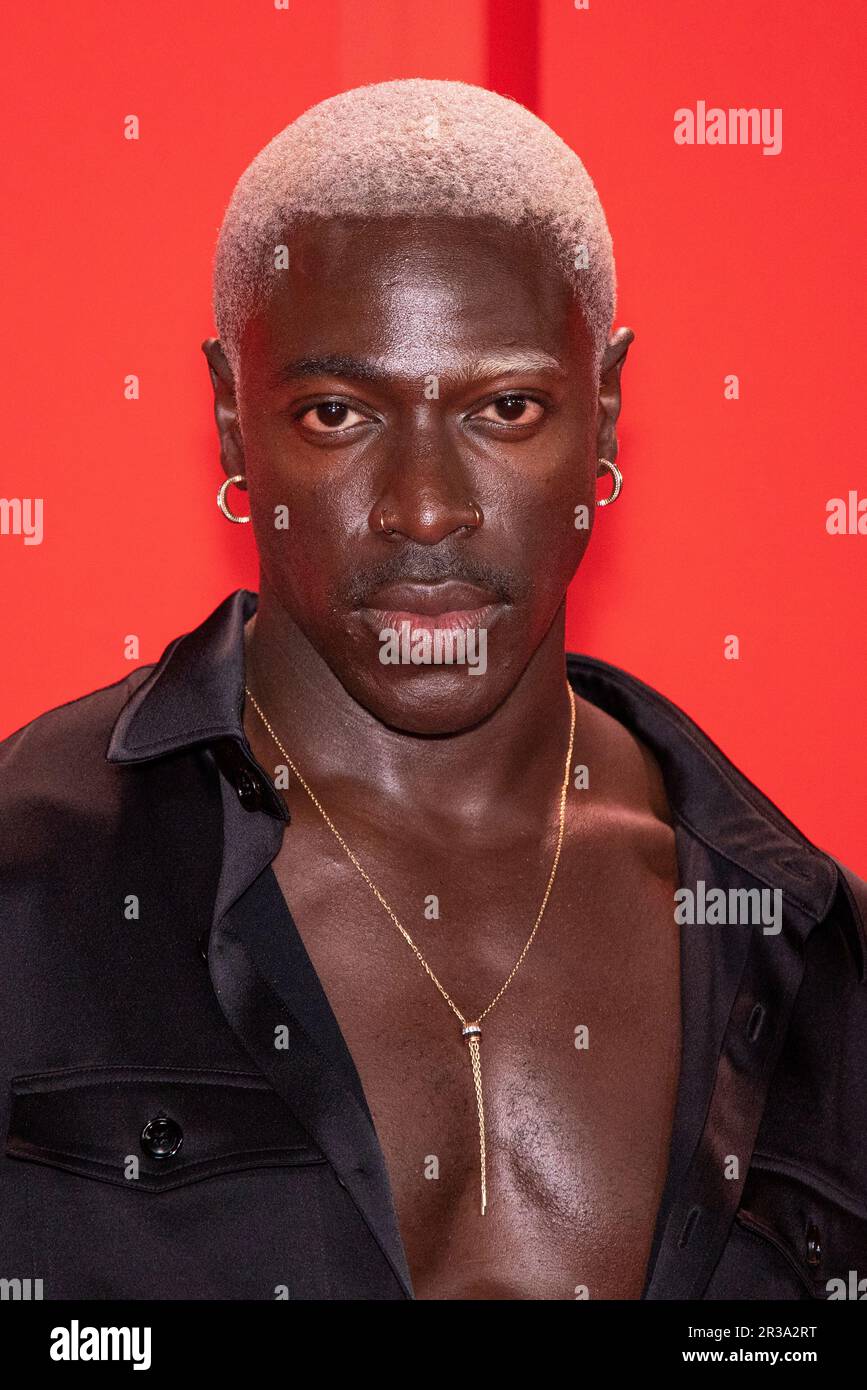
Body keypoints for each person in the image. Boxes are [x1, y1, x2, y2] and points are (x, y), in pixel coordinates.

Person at [1, 78, 865, 1302]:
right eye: (339, 412)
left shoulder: (807, 947)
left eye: (504, 408)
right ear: (235, 420)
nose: (424, 507)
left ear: (605, 410)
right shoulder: (29, 881)